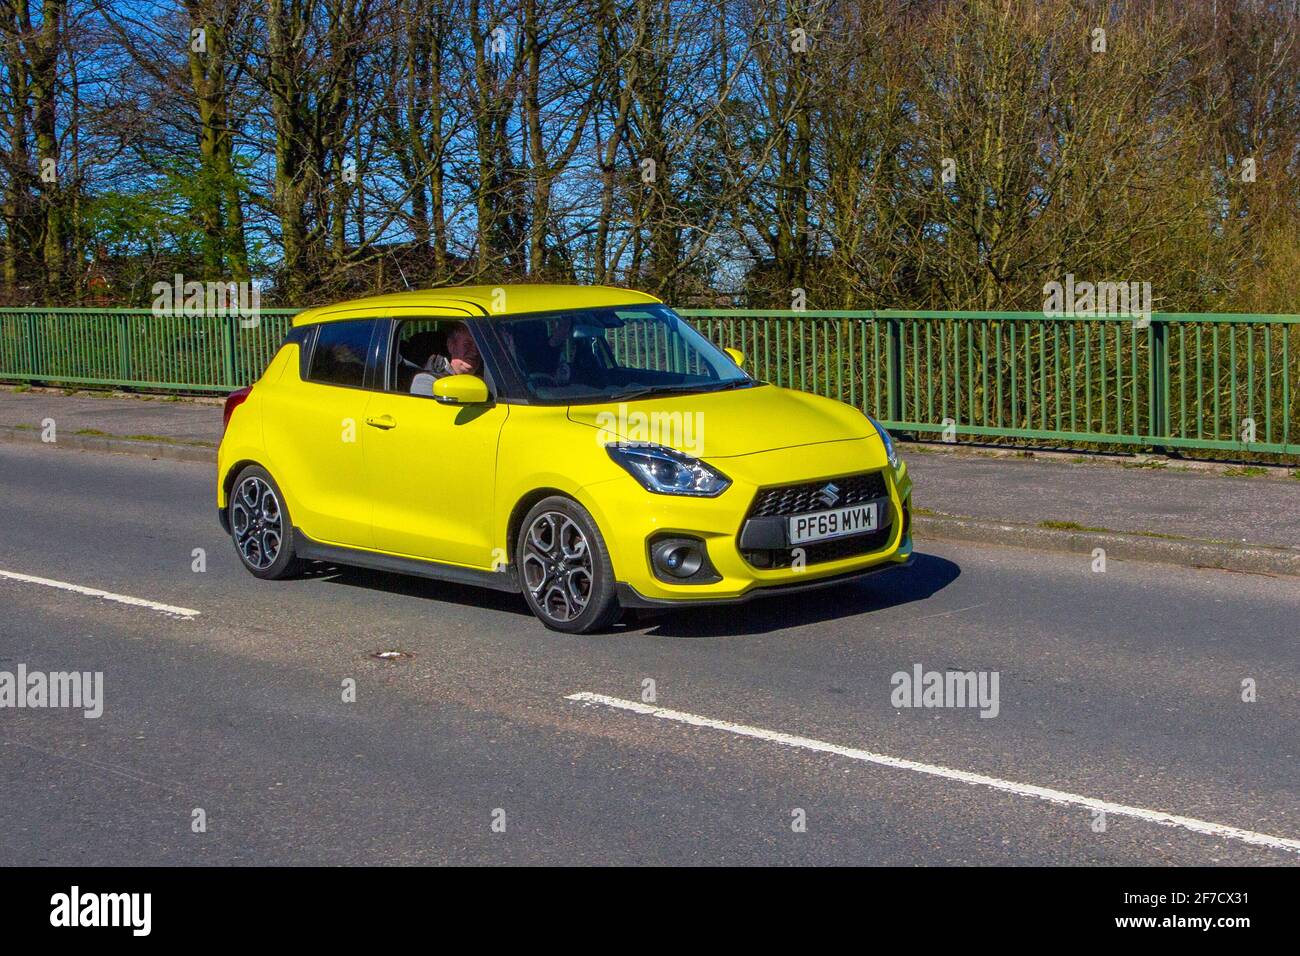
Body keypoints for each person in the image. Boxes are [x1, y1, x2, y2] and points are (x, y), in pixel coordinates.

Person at [410, 323, 482, 396]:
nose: (475, 351)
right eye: (467, 344)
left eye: (479, 345)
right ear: (451, 345)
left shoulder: (490, 377)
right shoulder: (426, 381)